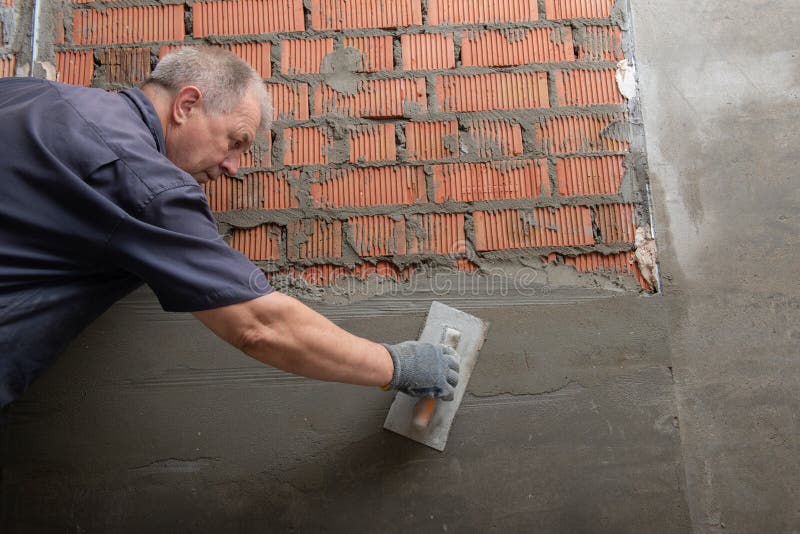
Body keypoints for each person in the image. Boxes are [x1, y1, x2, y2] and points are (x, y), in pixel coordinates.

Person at [0, 46, 459, 410]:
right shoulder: (147, 184)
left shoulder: (30, 93)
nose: (233, 167)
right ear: (187, 104)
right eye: (235, 142)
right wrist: (398, 365)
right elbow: (259, 326)